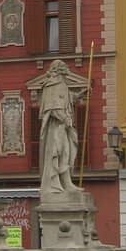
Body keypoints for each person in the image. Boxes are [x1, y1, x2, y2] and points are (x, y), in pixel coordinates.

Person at [38, 60, 83, 197]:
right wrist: (64, 119)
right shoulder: (52, 85)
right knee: (60, 154)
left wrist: (80, 95)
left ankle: (67, 183)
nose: (67, 68)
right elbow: (52, 108)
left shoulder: (62, 85)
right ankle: (60, 184)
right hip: (56, 128)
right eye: (64, 66)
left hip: (64, 127)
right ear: (58, 69)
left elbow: (65, 99)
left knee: (66, 154)